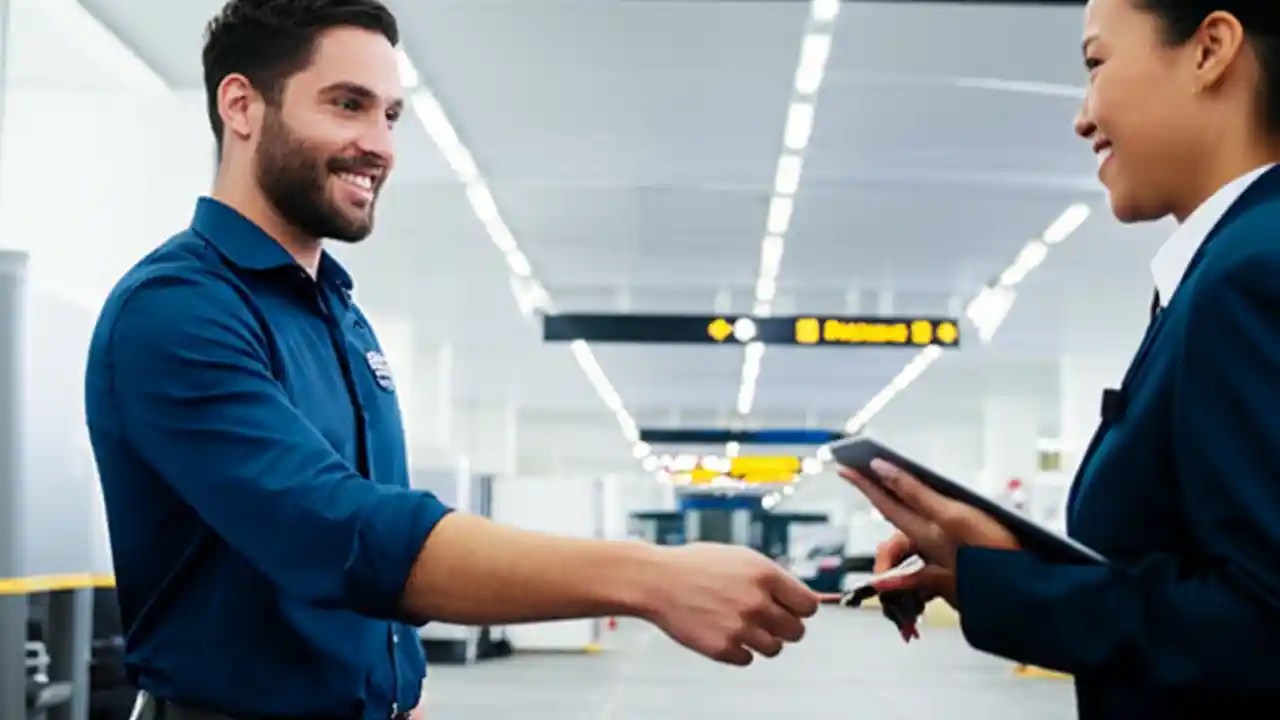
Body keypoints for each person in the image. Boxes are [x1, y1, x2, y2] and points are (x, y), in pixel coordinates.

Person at [83, 1, 825, 718]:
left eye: (391, 114)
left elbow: (372, 531)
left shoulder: (341, 316)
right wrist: (648, 577)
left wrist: (398, 685)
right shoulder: (177, 311)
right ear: (241, 107)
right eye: (347, 104)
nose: (380, 143)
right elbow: (335, 530)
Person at [839, 0, 1280, 717]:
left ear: (1210, 50)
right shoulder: (1229, 267)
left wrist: (1004, 587)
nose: (1081, 117)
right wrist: (999, 560)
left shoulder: (1250, 275)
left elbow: (1260, 628)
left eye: (1095, 64)